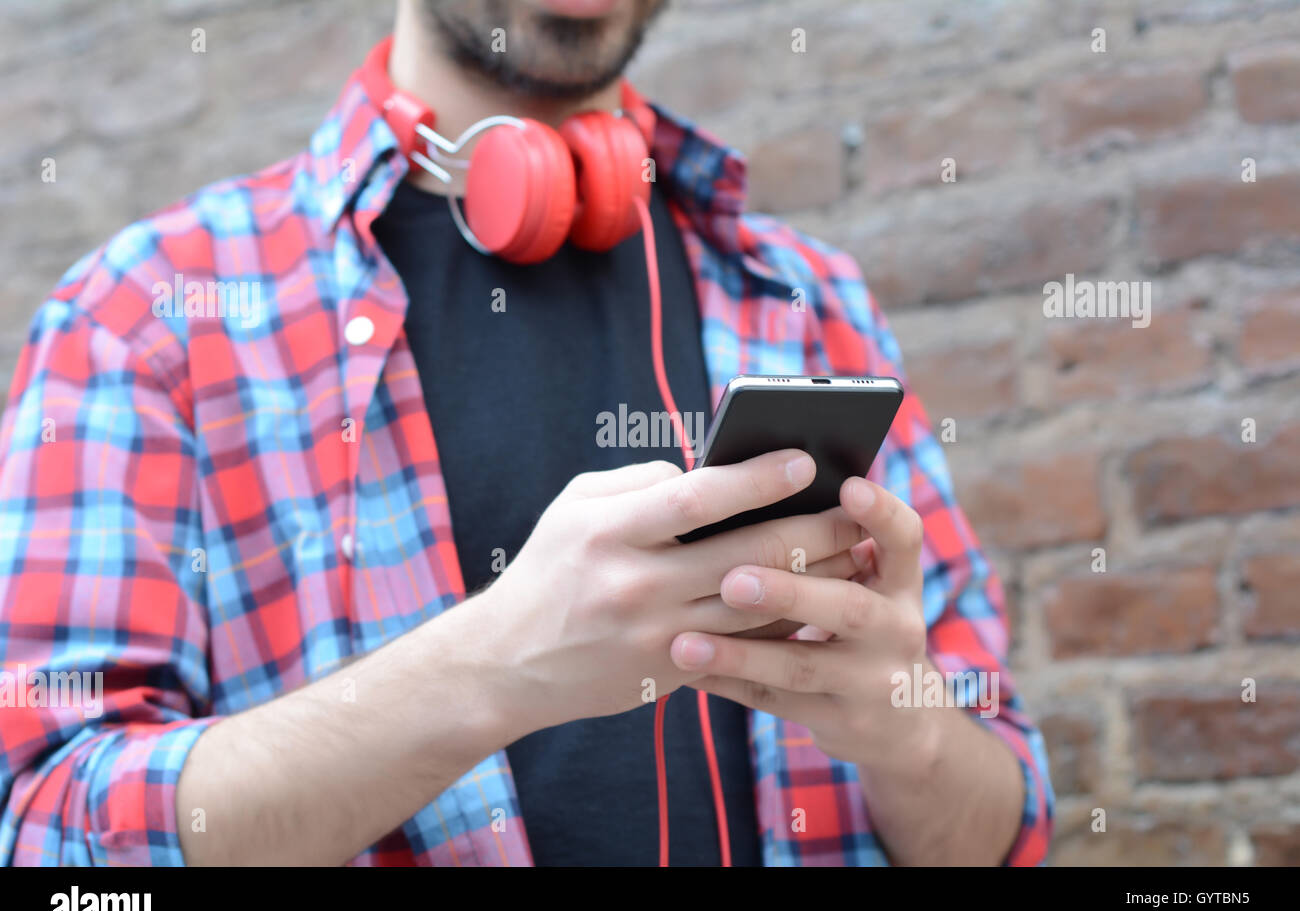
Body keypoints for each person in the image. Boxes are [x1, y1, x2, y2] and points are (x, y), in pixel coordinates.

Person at [0, 0, 1052, 866]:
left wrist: (907, 735)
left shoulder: (808, 298)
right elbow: (51, 842)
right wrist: (493, 665)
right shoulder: (147, 315)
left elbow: (1004, 831)